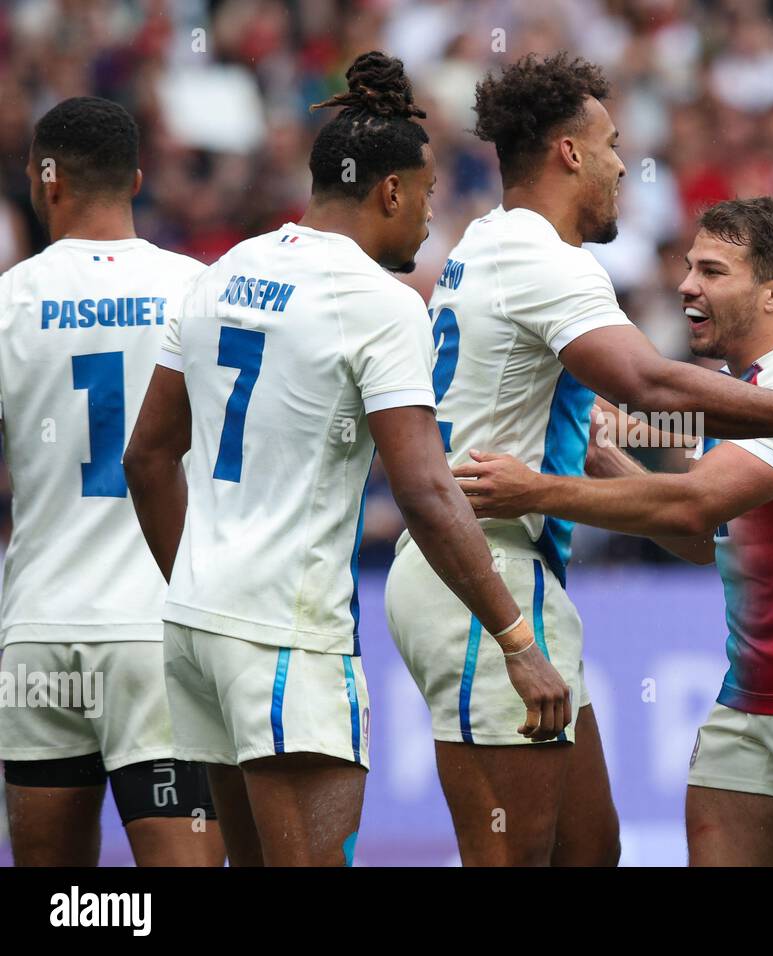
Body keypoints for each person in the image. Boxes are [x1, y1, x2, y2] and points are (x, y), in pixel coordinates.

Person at [385, 54, 773, 867]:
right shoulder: (563, 271)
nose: (684, 286)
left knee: (590, 850)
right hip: (490, 572)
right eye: (611, 144)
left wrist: (576, 471)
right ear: (570, 153)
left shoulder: (488, 243)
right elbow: (651, 397)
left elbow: (692, 525)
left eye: (711, 271)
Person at [123, 52, 569, 867]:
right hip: (287, 634)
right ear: (390, 190)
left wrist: (195, 581)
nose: (432, 218)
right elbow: (429, 493)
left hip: (193, 626)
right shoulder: (379, 304)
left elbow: (147, 457)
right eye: (428, 196)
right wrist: (516, 639)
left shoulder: (222, 271)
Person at [0, 97, 224, 866]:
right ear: (135, 177)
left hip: (36, 630)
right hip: (157, 626)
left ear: (45, 181)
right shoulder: (199, 289)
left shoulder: (8, 302)